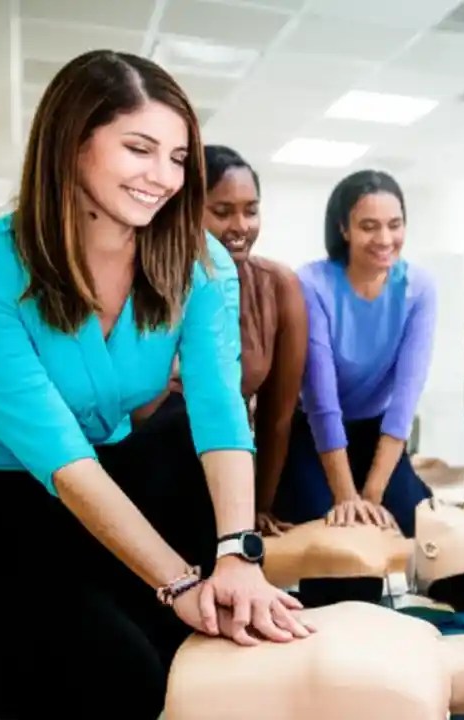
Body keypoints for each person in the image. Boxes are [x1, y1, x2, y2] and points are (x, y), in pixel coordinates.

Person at [0, 50, 309, 720]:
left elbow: (219, 412)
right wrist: (180, 579)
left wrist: (238, 557)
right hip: (4, 494)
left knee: (182, 436)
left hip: (112, 475)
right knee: (123, 677)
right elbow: (64, 465)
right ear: (71, 143)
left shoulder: (198, 258)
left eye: (180, 158)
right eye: (140, 149)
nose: (165, 177)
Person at [134, 145, 308, 537]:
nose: (241, 225)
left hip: (226, 454)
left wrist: (258, 506)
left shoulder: (279, 286)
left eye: (251, 209)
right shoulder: (148, 278)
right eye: (223, 211)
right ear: (186, 210)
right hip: (151, 451)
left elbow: (277, 417)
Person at [276, 169, 436, 538]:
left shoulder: (419, 288)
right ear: (344, 229)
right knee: (327, 524)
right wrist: (347, 498)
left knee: (410, 522)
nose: (384, 238)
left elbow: (404, 401)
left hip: (376, 430)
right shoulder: (311, 283)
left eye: (394, 225)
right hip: (315, 433)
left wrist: (372, 496)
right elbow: (321, 399)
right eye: (368, 226)